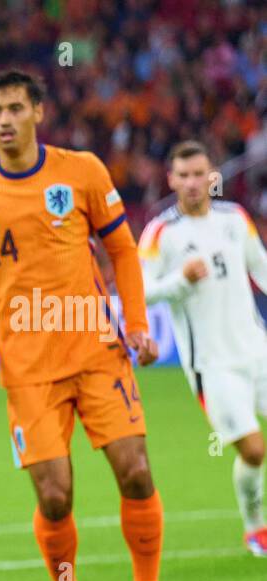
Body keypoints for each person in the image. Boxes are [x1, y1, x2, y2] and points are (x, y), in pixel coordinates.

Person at [0, 69, 175, 581]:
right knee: (56, 495)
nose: (5, 120)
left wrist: (137, 323)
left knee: (136, 472)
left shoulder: (83, 171)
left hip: (98, 352)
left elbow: (122, 249)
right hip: (28, 369)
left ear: (38, 111)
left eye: (16, 108)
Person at [139, 140, 267, 556]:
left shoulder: (235, 218)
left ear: (213, 177)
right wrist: (180, 281)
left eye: (199, 174)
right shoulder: (161, 233)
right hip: (213, 366)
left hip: (257, 349)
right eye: (184, 175)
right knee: (254, 450)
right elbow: (140, 290)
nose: (193, 183)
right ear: (171, 180)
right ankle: (256, 527)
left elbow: (261, 268)